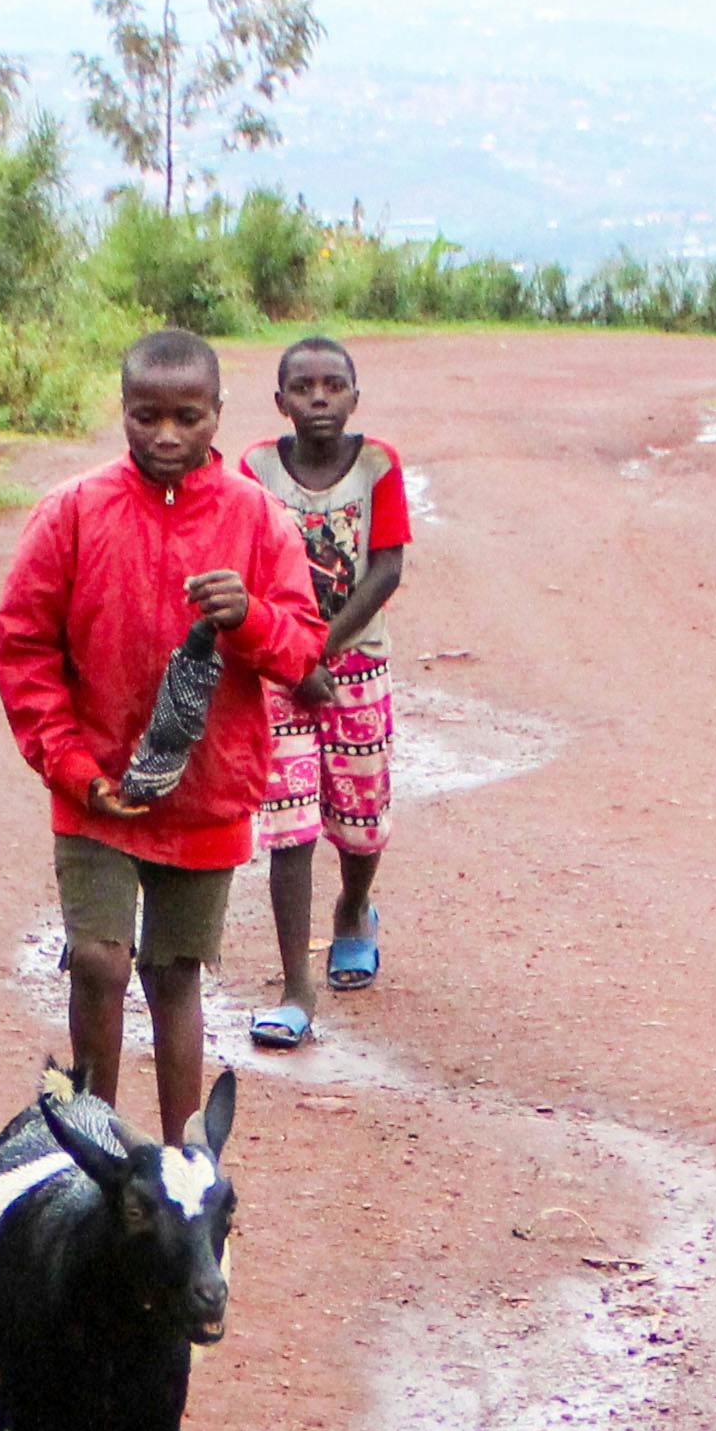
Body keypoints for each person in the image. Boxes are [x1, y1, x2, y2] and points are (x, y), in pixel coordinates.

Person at [0, 327, 324, 1140]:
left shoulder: (257, 520)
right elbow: (21, 646)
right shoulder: (72, 513)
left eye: (187, 417)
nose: (166, 436)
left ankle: (181, 1164)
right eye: (147, 417)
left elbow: (303, 646)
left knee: (175, 975)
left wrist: (248, 618)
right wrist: (70, 764)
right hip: (96, 785)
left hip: (208, 790)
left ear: (218, 413)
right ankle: (92, 1144)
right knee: (99, 961)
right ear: (123, 410)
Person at [239, 335, 411, 1050]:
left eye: (333, 386)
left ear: (354, 398)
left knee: (360, 816)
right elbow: (241, 562)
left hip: (353, 664)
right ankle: (294, 988)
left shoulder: (377, 466)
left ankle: (354, 908)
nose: (318, 398)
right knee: (288, 825)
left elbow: (385, 571)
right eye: (303, 387)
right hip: (276, 671)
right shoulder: (253, 469)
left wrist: (321, 647)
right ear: (279, 402)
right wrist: (286, 655)